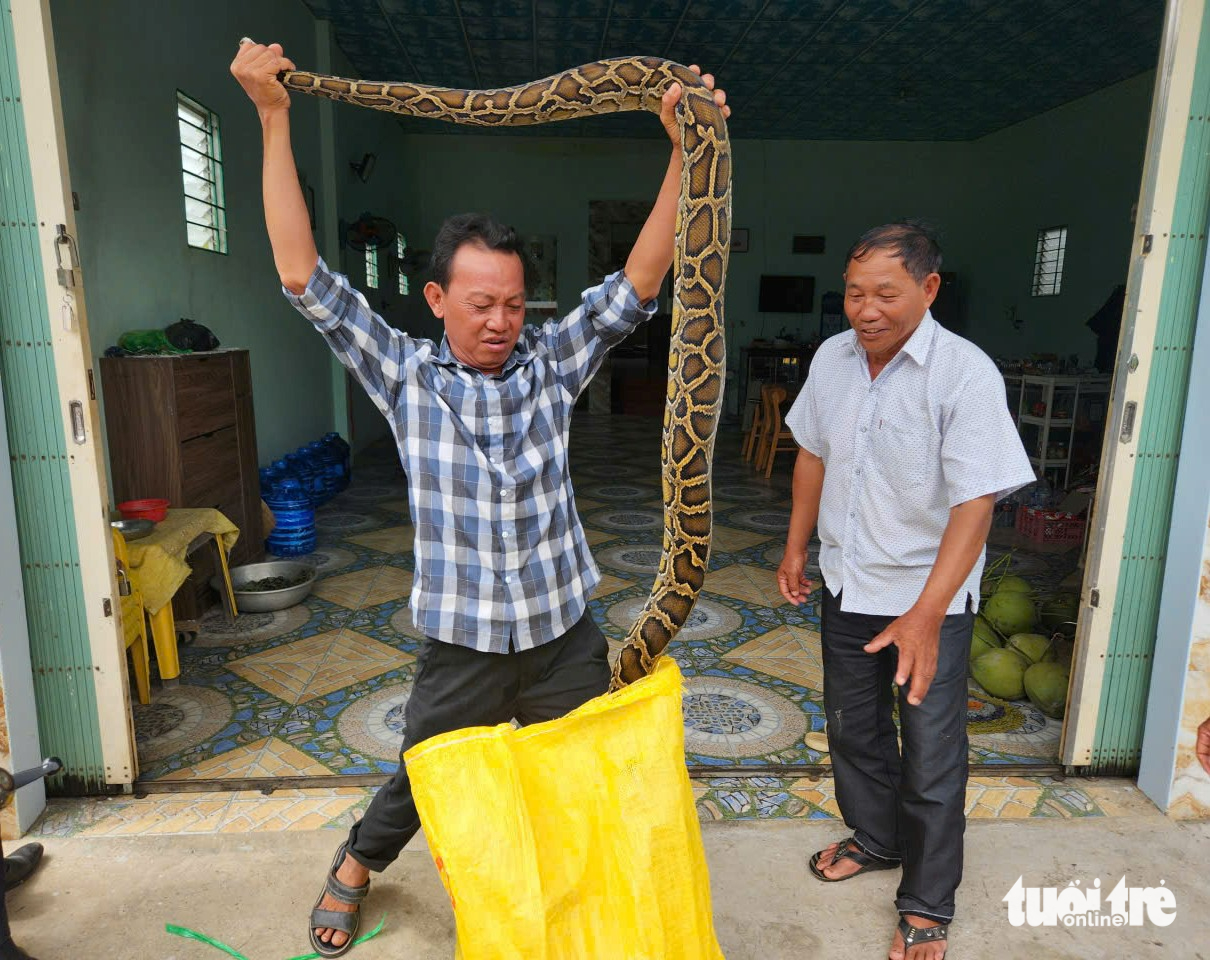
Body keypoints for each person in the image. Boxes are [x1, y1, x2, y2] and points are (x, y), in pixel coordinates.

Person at [230, 39, 728, 957]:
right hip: (462, 637)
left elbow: (640, 283)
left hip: (562, 632)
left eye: (514, 304)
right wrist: (272, 116)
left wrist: (683, 150)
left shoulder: (552, 366)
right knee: (431, 768)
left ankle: (569, 898)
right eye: (480, 304)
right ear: (437, 299)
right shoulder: (405, 376)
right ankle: (352, 867)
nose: (501, 322)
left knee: (580, 769)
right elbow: (302, 274)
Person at [776, 221, 1034, 960]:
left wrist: (926, 615)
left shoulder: (964, 373)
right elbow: (813, 455)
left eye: (885, 293)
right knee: (854, 730)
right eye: (855, 292)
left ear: (927, 289)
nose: (865, 309)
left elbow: (976, 502)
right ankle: (878, 839)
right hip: (849, 582)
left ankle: (927, 904)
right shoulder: (830, 359)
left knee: (929, 753)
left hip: (932, 600)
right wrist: (797, 546)